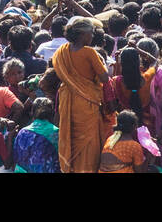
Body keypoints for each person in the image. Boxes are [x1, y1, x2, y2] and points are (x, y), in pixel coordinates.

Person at [49, 12, 107, 173]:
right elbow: (104, 78)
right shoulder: (89, 52)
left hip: (68, 100)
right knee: (89, 143)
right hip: (86, 103)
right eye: (91, 32)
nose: (92, 35)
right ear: (83, 34)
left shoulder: (62, 51)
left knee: (71, 138)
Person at [13, 97, 61, 173]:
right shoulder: (56, 133)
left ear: (32, 112)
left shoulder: (22, 132)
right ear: (52, 113)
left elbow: (16, 157)